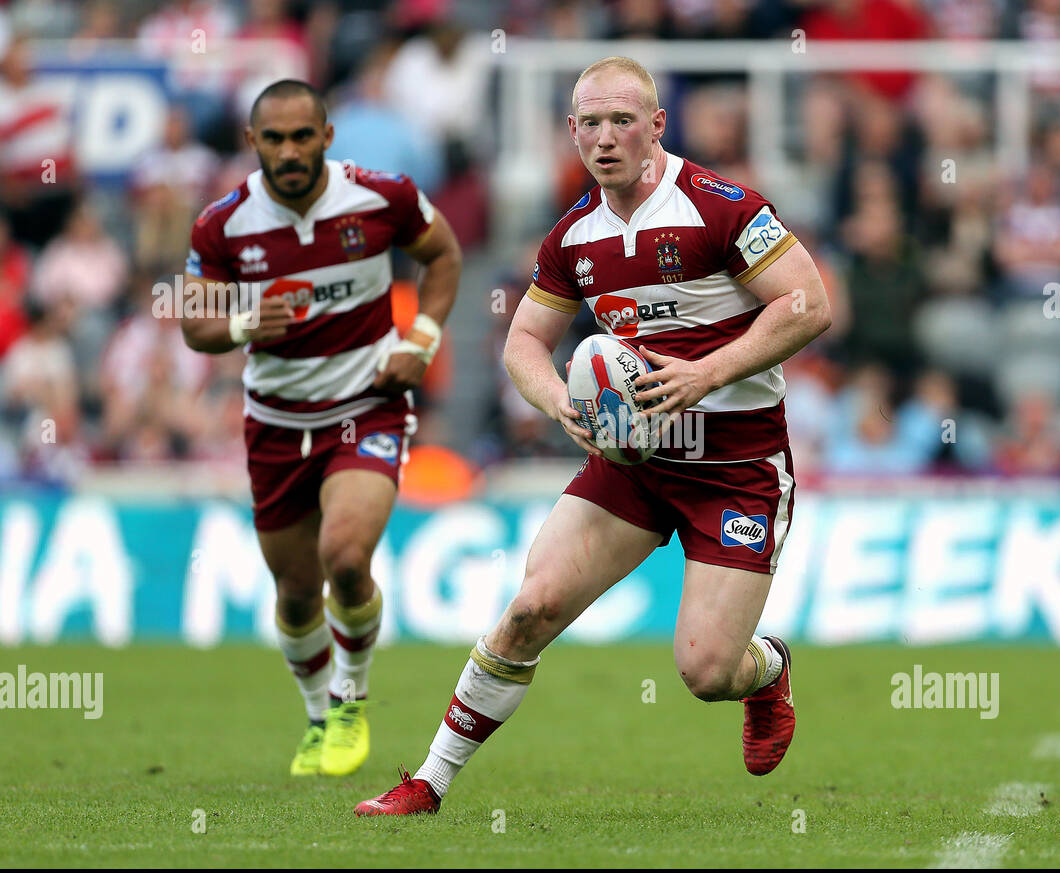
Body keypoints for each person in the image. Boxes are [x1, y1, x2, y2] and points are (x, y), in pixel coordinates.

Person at [355, 57, 830, 816]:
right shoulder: (573, 235)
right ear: (571, 131)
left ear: (656, 126)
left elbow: (808, 304)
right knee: (530, 608)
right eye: (590, 124)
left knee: (708, 670)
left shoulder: (721, 207)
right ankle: (429, 781)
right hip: (633, 463)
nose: (606, 138)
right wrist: (559, 404)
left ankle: (768, 669)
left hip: (736, 468)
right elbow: (522, 345)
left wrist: (704, 374)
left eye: (622, 121)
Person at [180, 79, 462, 777]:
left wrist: (419, 341)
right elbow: (195, 322)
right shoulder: (223, 224)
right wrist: (247, 323)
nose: (289, 150)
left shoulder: (381, 195)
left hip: (364, 406)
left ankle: (350, 700)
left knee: (345, 555)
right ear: (253, 144)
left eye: (302, 135)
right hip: (275, 422)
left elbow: (444, 256)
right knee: (297, 592)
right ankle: (315, 714)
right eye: (273, 138)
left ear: (327, 137)